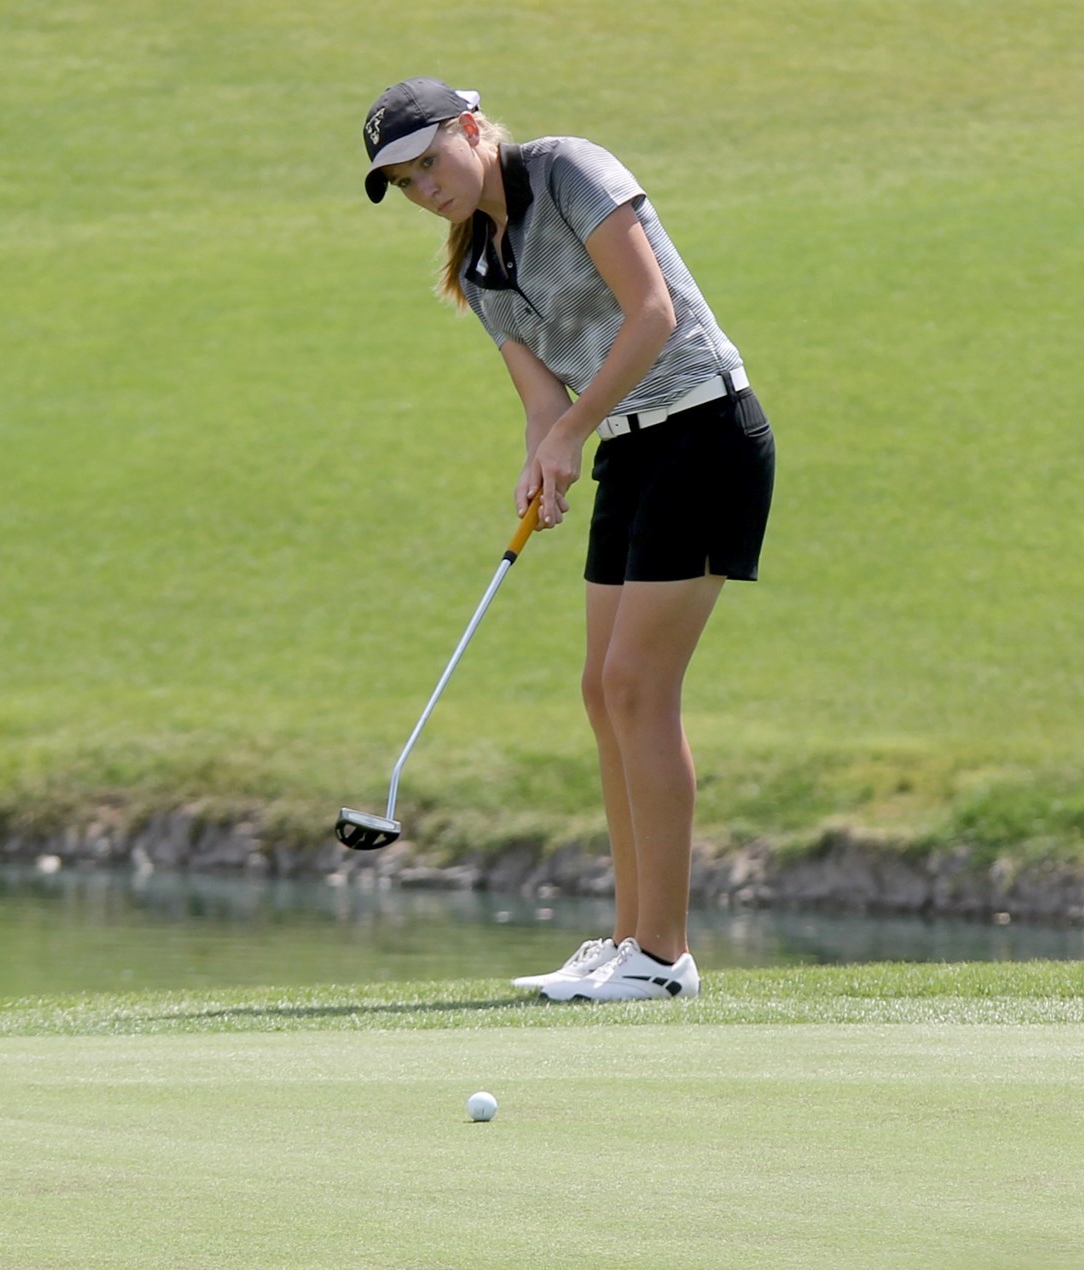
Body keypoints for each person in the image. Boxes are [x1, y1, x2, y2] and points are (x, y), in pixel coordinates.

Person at [361, 78, 775, 1001]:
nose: (426, 189)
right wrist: (542, 457)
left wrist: (570, 432)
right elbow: (542, 402)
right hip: (631, 452)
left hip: (705, 432)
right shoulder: (479, 269)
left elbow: (654, 312)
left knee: (638, 685)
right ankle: (628, 938)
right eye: (404, 182)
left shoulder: (570, 171)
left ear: (472, 130)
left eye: (431, 162)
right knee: (602, 691)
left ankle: (663, 960)